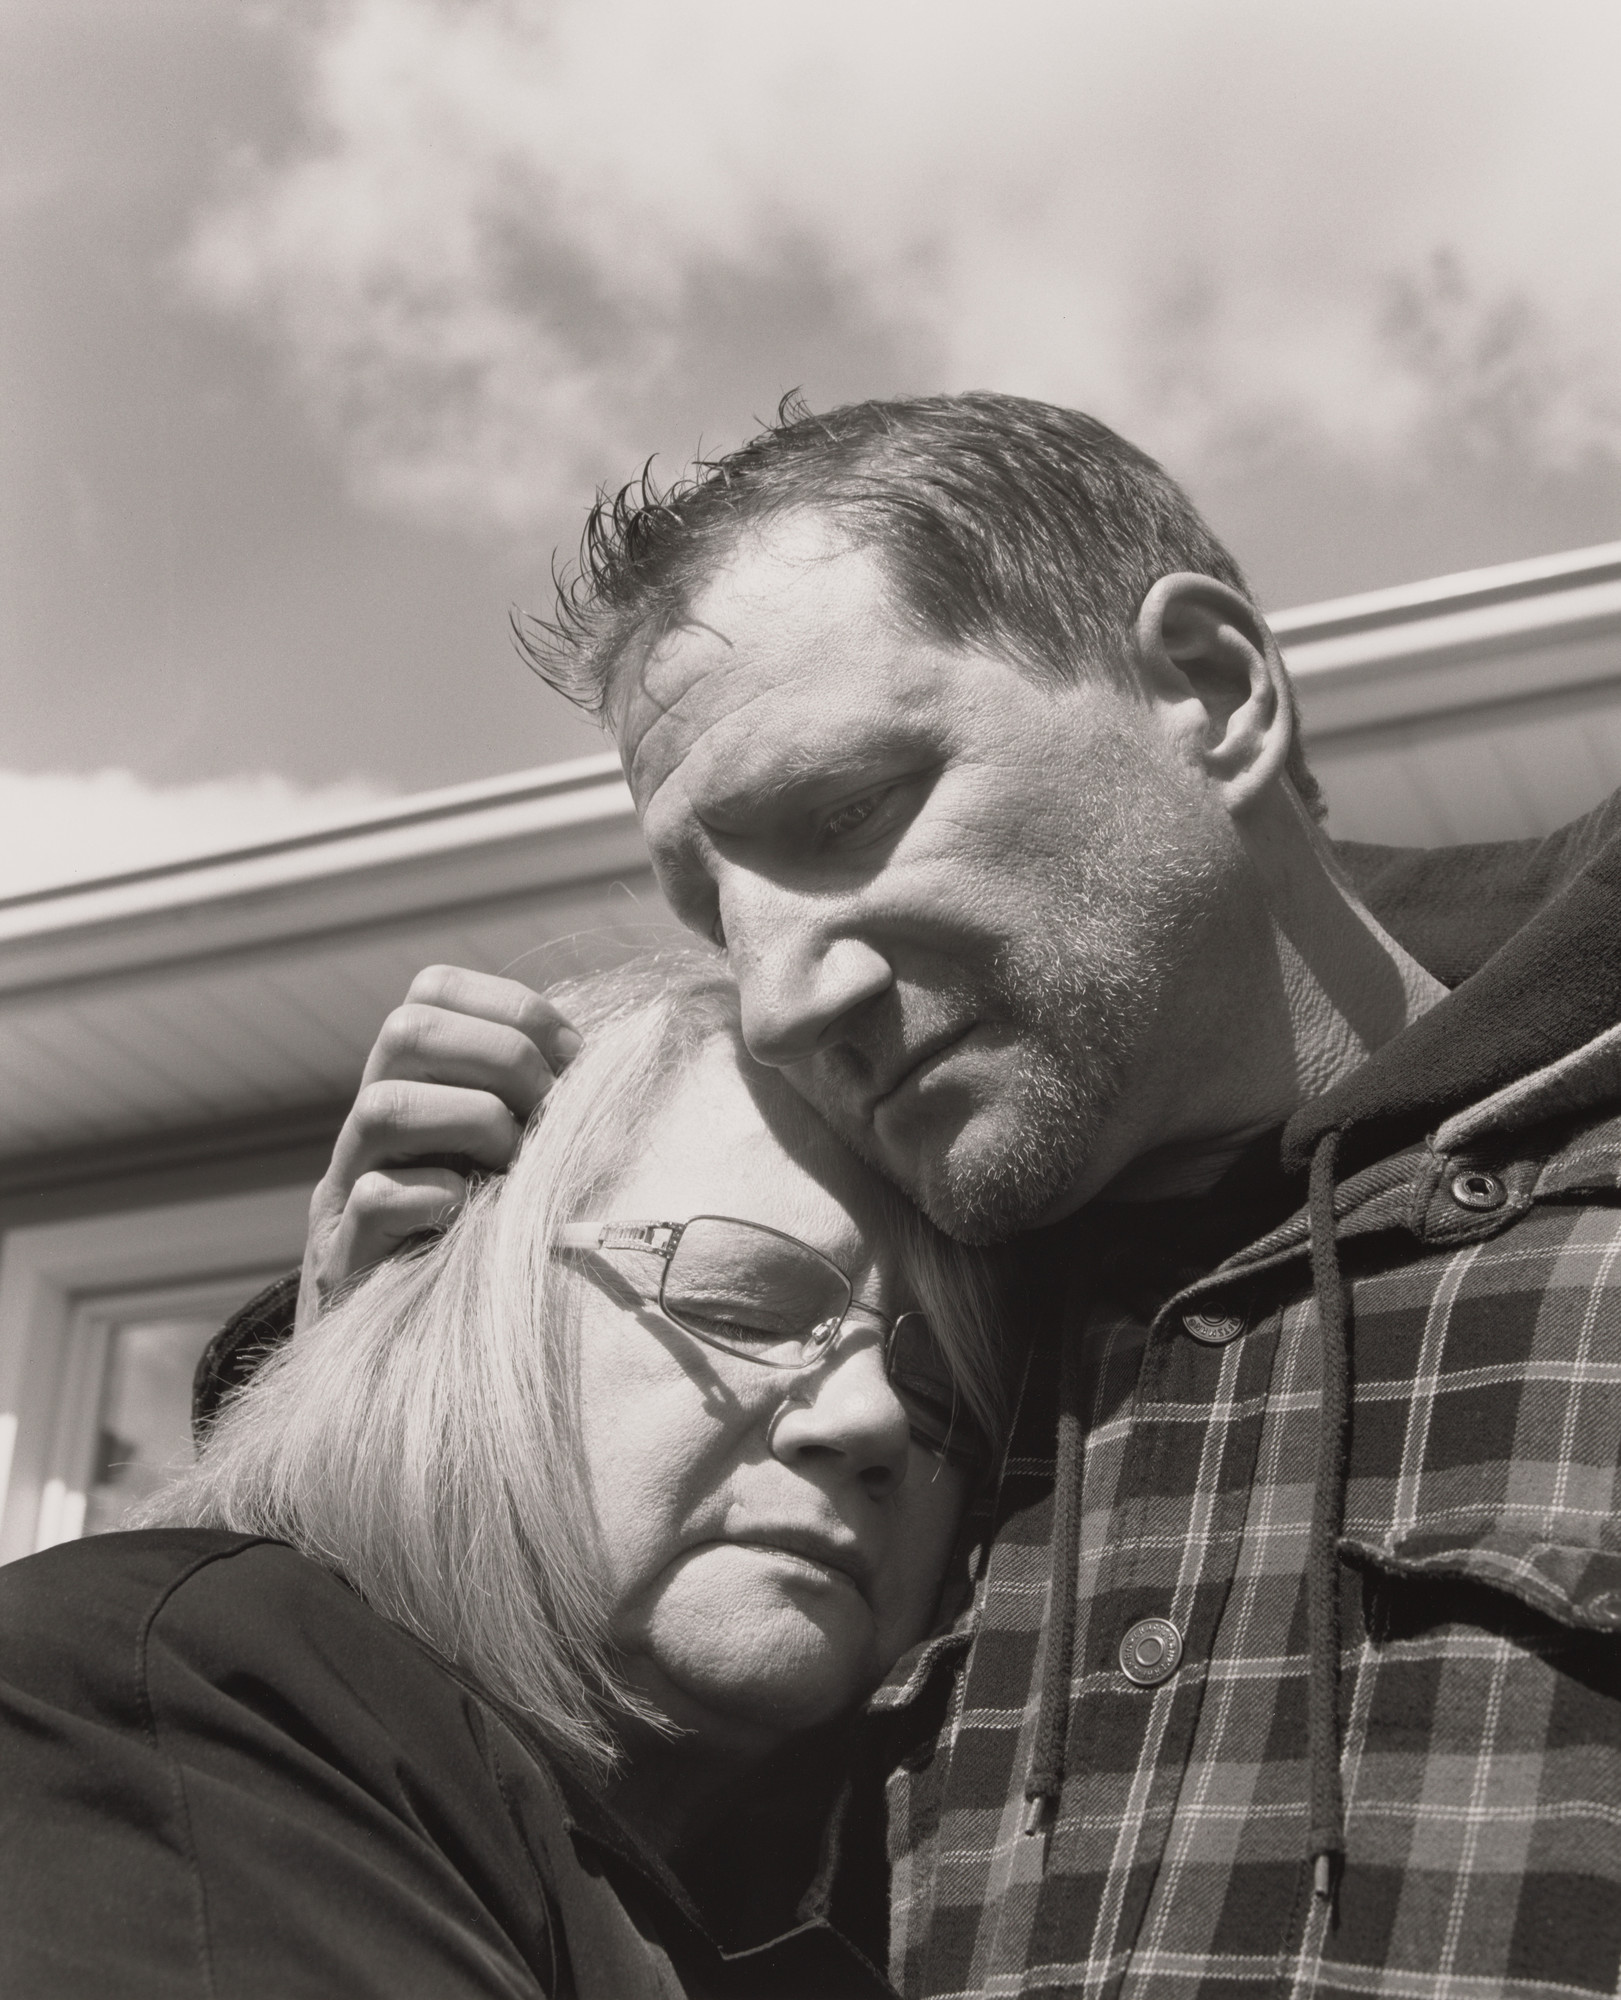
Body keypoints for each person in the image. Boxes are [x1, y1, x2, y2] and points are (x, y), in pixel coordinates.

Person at [223, 393, 1621, 1996]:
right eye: (711, 908)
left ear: (1213, 695)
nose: (774, 997)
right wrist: (366, 1372)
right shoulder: (884, 1376)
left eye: (837, 814)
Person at [0, 953, 1010, 1998]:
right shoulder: (173, 1694)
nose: (871, 1416)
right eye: (741, 1298)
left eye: (943, 1392)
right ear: (479, 1315)